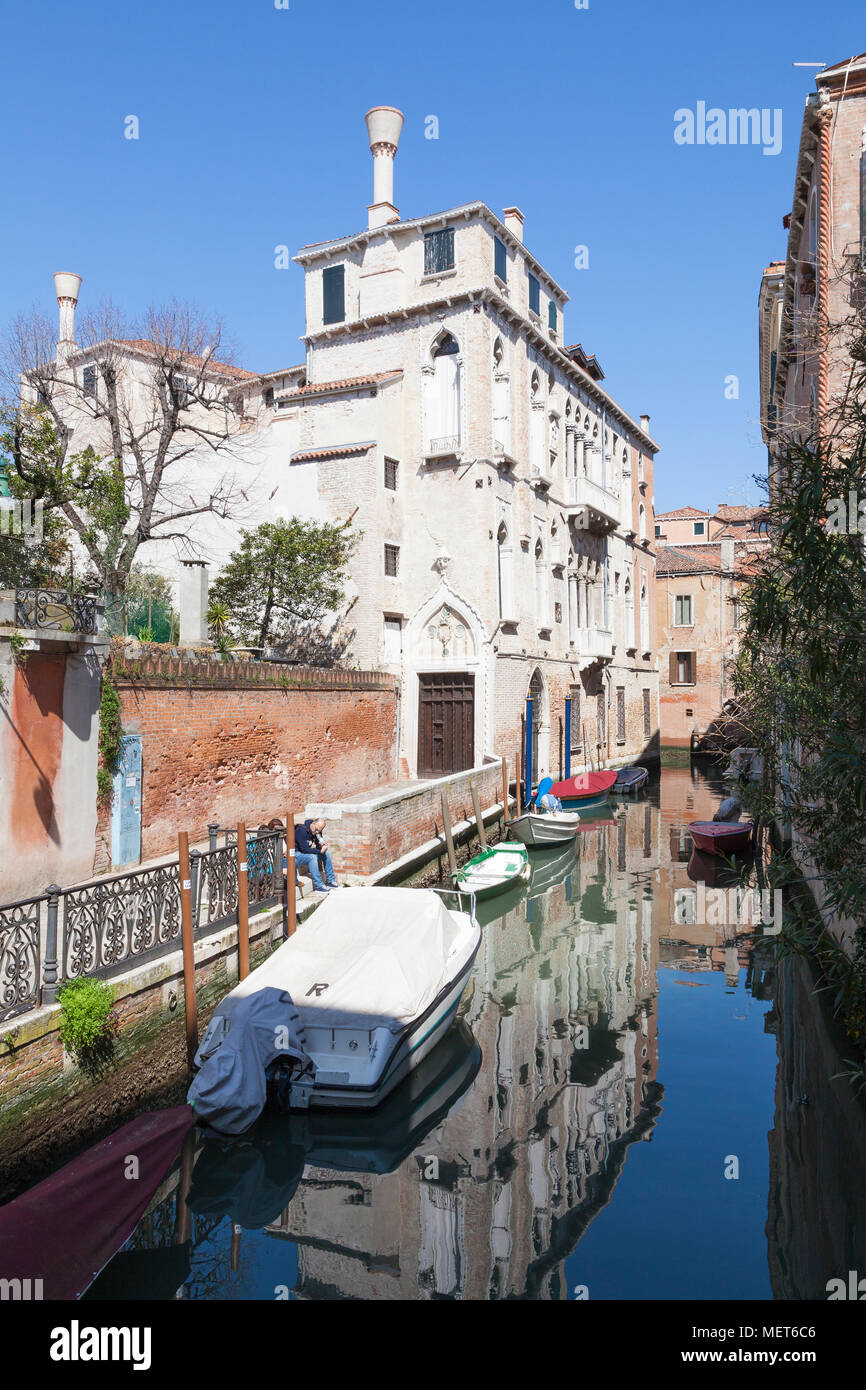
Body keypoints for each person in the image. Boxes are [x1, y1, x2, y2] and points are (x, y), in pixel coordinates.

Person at [294, 817, 341, 893]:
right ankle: (319, 886)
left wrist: (321, 845)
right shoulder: (301, 830)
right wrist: (319, 851)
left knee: (326, 853)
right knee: (312, 857)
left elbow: (317, 847)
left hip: (305, 853)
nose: (317, 832)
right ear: (313, 824)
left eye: (319, 830)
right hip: (296, 854)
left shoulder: (317, 832)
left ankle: (330, 881)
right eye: (316, 829)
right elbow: (304, 849)